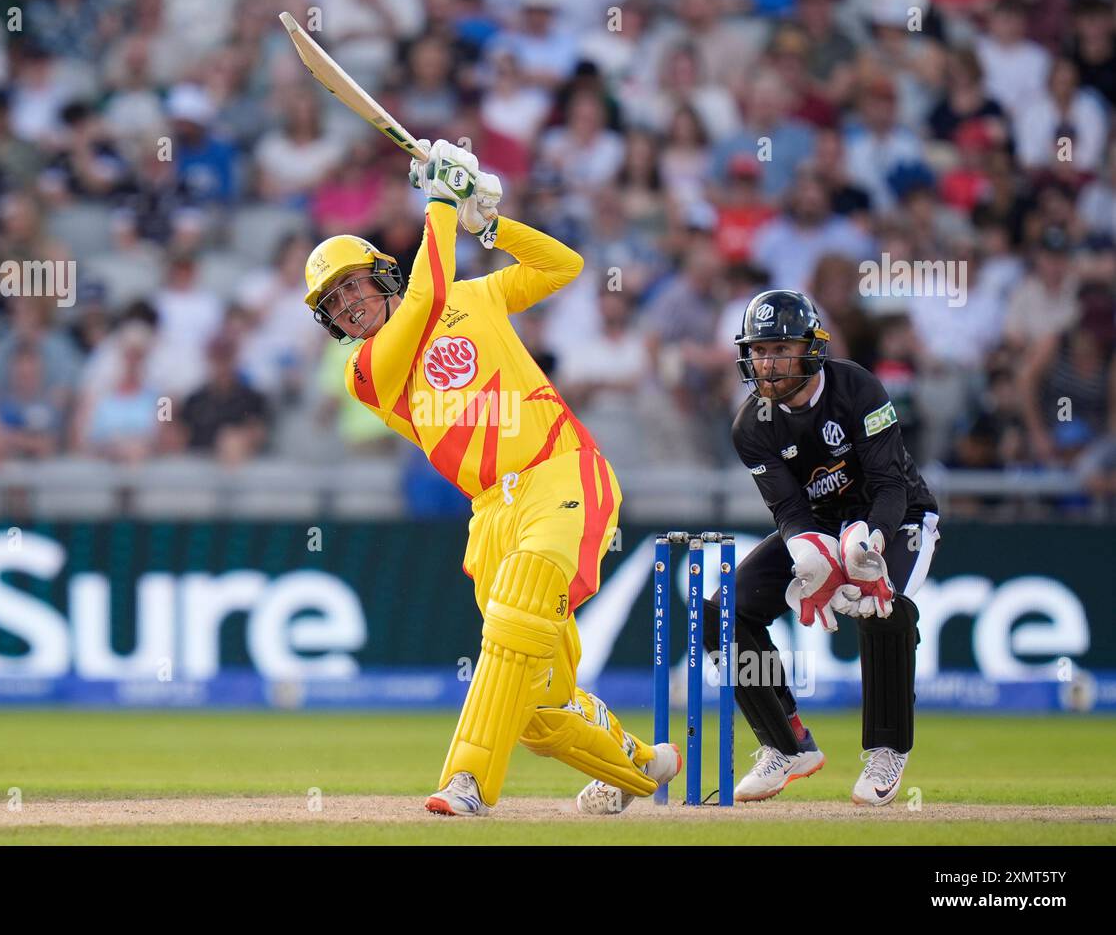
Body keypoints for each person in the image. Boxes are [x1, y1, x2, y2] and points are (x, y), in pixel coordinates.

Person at [301, 138, 682, 816]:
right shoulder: (369, 374)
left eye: (353, 285)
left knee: (511, 625)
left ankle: (466, 781)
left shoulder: (473, 295)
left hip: (560, 473)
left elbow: (563, 265)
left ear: (380, 276)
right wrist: (441, 203)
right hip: (492, 513)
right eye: (332, 303)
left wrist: (488, 222)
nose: (347, 305)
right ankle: (641, 766)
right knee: (537, 704)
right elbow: (424, 300)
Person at [713, 289, 939, 807]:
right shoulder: (751, 425)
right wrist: (806, 550)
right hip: (819, 523)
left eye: (780, 349)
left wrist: (871, 540)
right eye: (759, 351)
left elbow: (889, 483)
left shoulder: (855, 385)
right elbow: (788, 510)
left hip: (899, 516)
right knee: (722, 612)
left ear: (810, 349)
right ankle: (785, 743)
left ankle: (887, 749)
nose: (767, 363)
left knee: (882, 607)